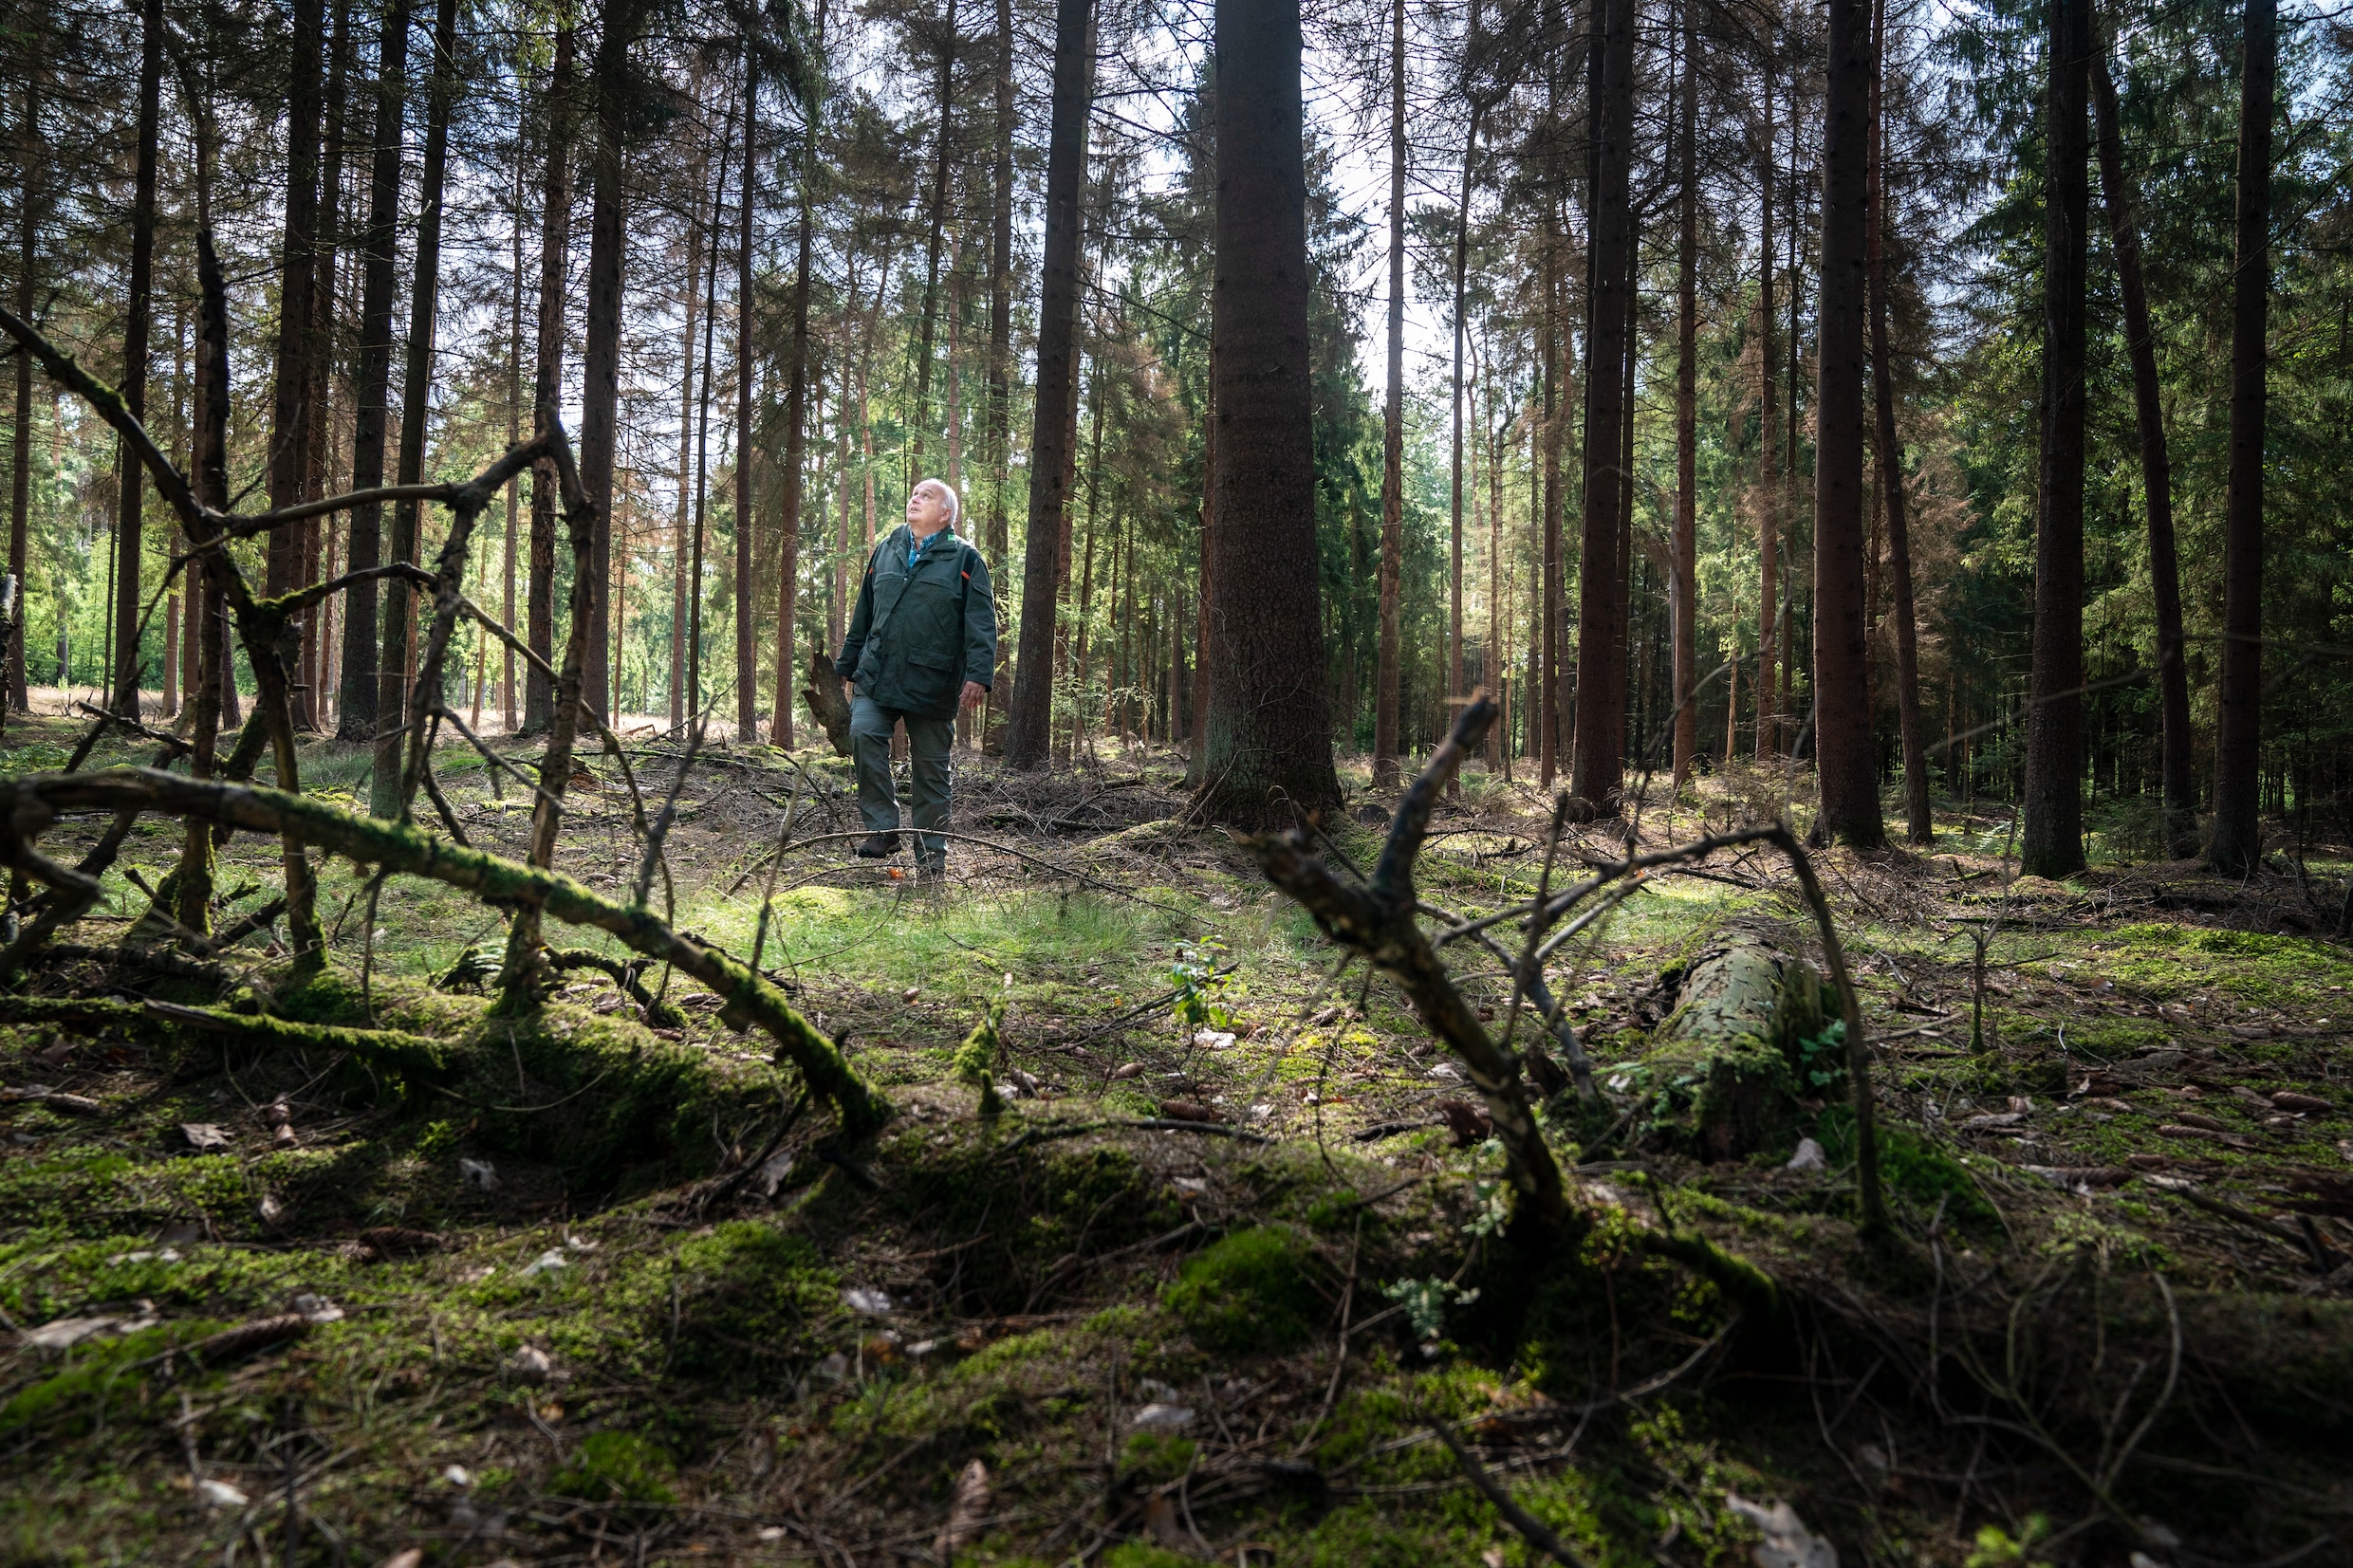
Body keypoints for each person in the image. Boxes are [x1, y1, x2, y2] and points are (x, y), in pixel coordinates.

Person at [834, 478, 996, 875]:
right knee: (863, 735)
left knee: (931, 773)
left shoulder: (965, 559)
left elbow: (980, 621)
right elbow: (864, 612)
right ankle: (884, 829)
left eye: (927, 496)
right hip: (878, 673)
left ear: (946, 514)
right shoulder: (886, 549)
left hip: (933, 682)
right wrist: (847, 664)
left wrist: (978, 675)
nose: (915, 497)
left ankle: (931, 862)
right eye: (914, 493)